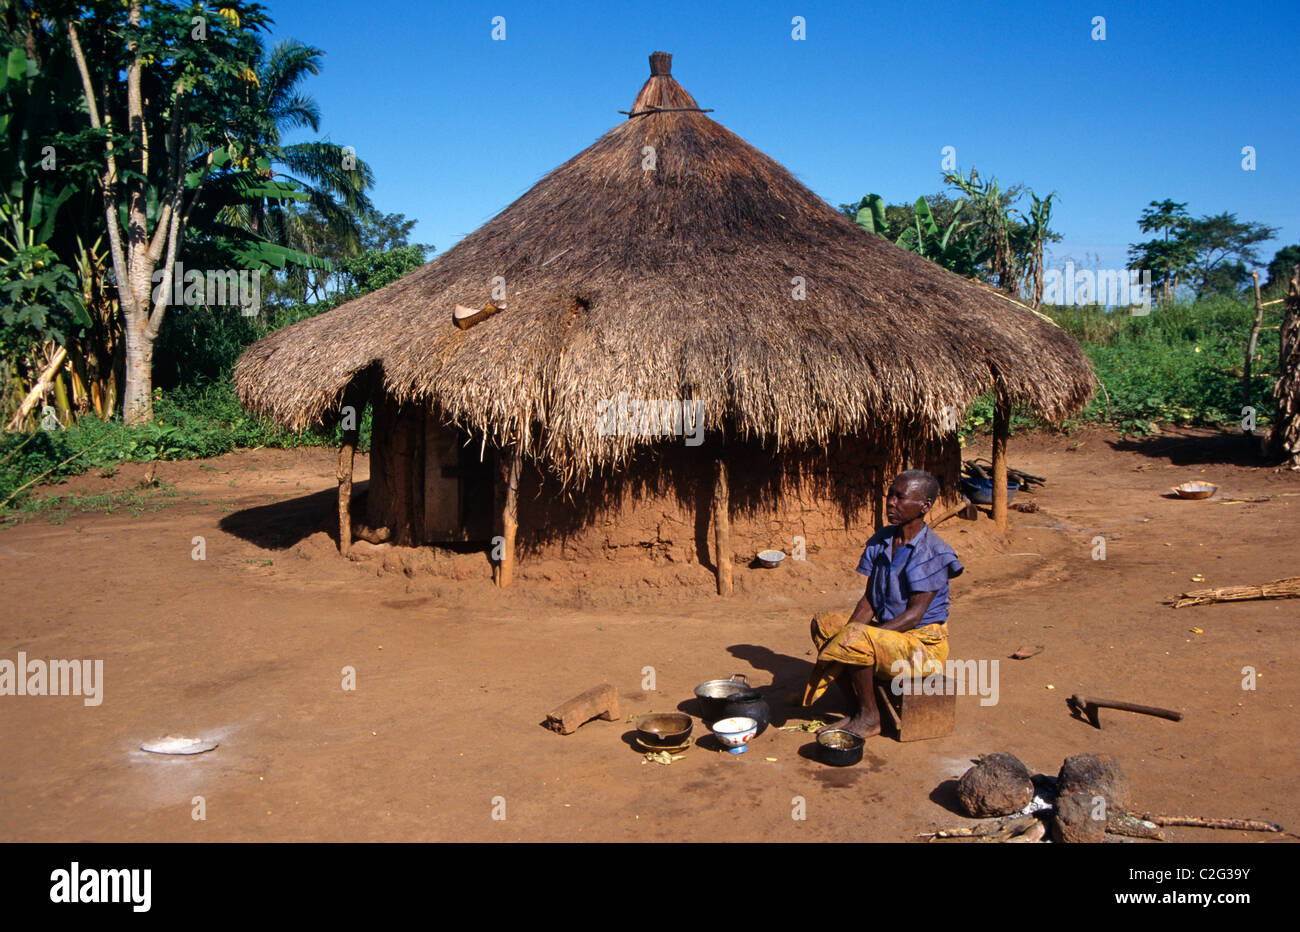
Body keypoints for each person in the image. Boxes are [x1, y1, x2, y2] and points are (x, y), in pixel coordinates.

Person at [802, 469, 963, 738]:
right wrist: (847, 635)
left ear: (924, 506)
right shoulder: (883, 541)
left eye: (901, 497)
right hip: (892, 636)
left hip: (923, 646)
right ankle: (856, 709)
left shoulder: (934, 551)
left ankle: (871, 718)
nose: (891, 502)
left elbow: (914, 615)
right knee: (826, 624)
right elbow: (870, 601)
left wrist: (860, 637)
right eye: (890, 495)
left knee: (857, 639)